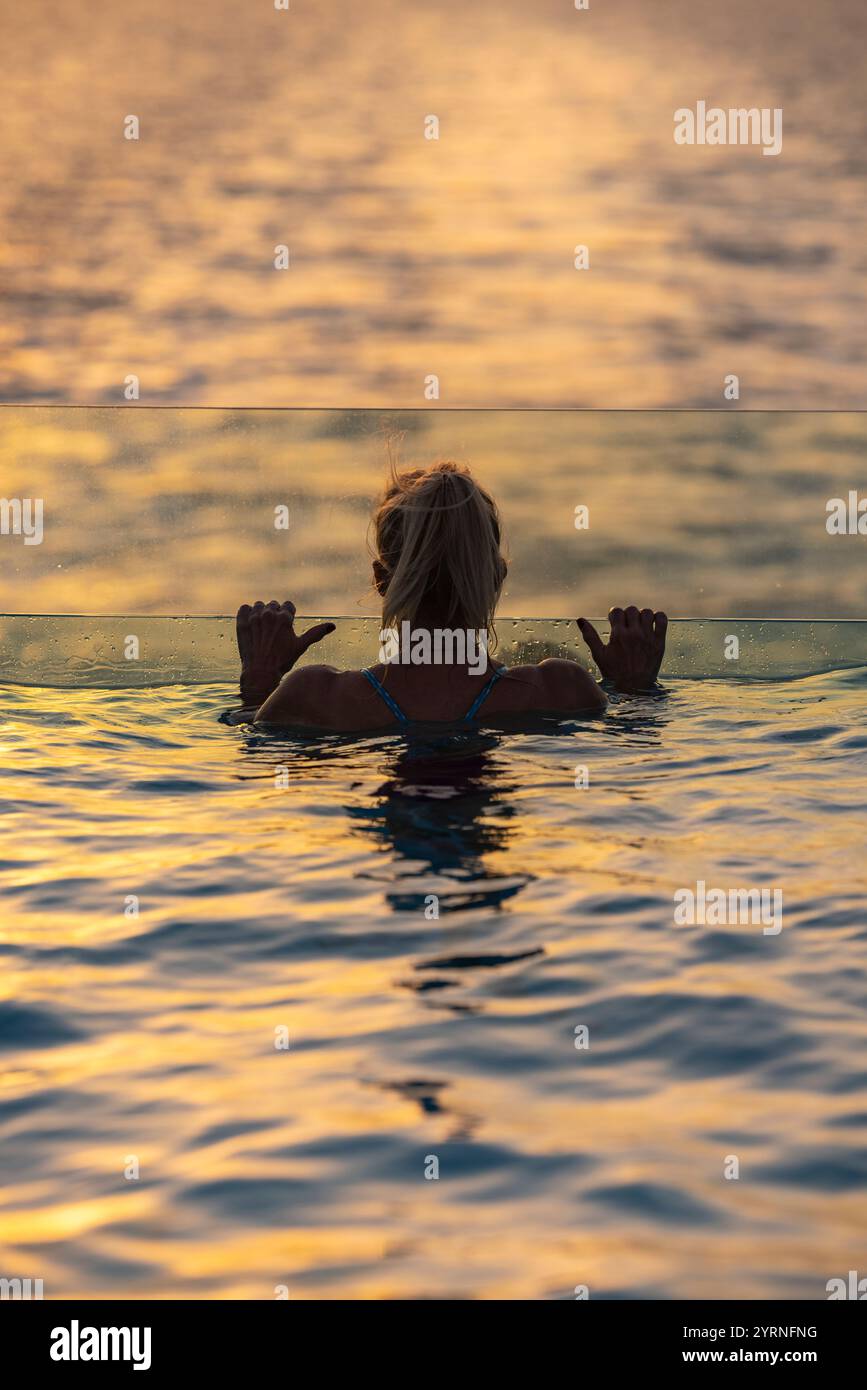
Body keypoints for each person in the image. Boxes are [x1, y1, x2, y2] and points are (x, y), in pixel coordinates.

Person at [233, 461, 667, 731]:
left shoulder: (316, 698)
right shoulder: (562, 690)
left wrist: (259, 685)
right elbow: (635, 749)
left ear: (381, 580)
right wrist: (634, 688)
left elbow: (251, 766)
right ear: (496, 578)